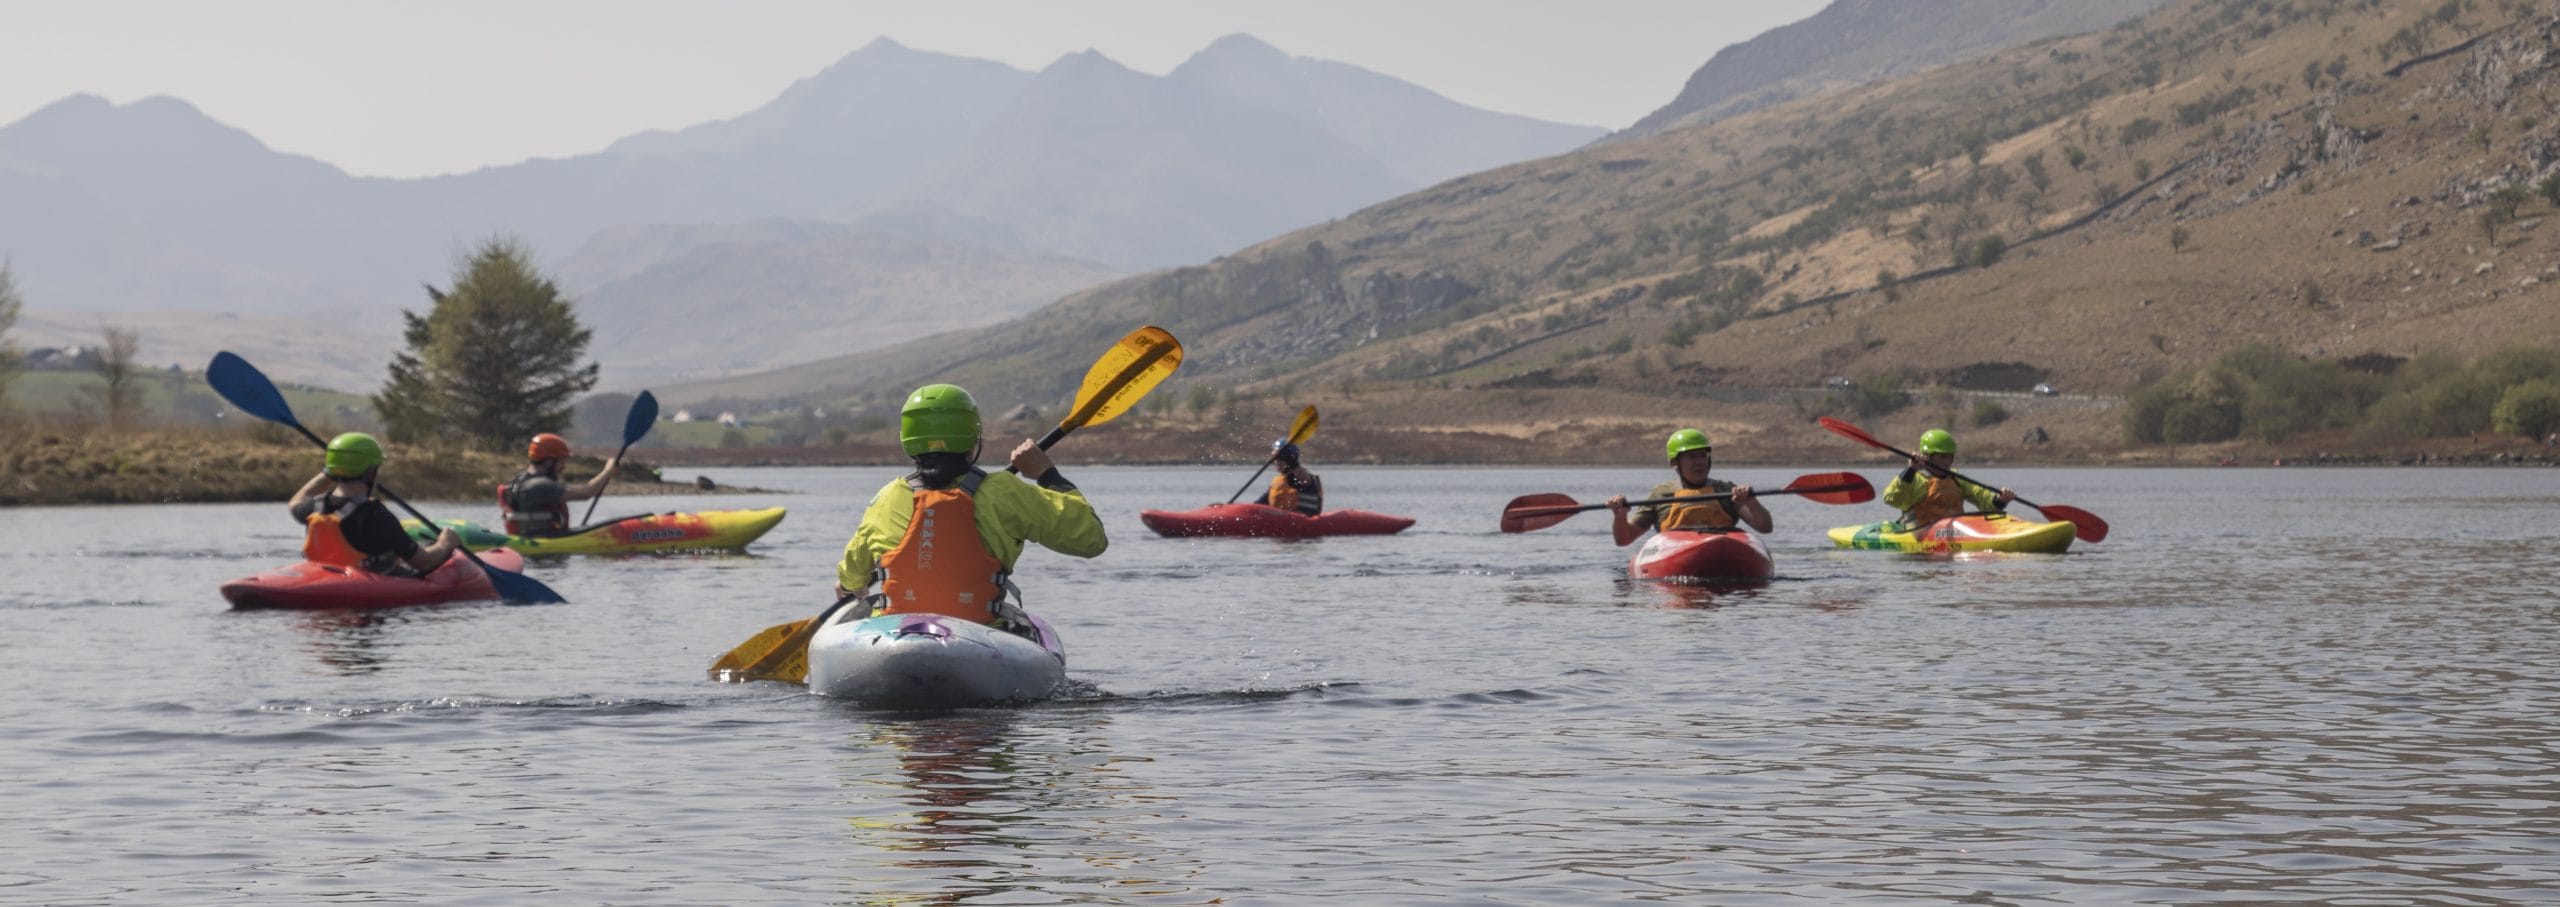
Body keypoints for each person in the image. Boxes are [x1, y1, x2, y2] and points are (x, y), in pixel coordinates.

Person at [833, 384, 1108, 629]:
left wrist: (850, 585)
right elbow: (1090, 539)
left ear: (908, 440)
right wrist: (1047, 474)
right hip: (978, 633)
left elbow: (852, 574)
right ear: (973, 439)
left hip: (894, 631)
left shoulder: (888, 497)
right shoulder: (1004, 491)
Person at [287, 432, 461, 576]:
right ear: (370, 471)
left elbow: (296, 501)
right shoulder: (376, 516)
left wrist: (329, 472)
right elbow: (423, 562)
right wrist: (445, 544)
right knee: (440, 554)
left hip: (323, 577)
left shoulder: (315, 507)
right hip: (369, 584)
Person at [1606, 428, 1773, 547]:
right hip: (1675, 550)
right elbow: (1624, 540)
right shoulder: (1661, 494)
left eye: (1703, 456)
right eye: (1692, 457)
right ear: (1675, 463)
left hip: (1723, 546)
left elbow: (1765, 528)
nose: (1700, 462)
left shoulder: (1727, 490)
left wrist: (1752, 502)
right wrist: (1620, 516)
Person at [1882, 428, 2015, 527]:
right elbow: (1892, 499)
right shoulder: (1916, 480)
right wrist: (1911, 469)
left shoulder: (1956, 479)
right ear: (1927, 456)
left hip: (1954, 530)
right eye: (1942, 457)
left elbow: (1982, 498)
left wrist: (1999, 500)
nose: (1947, 462)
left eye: (1950, 457)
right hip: (1920, 533)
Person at [497, 432, 621, 536]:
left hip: (534, 538)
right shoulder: (540, 486)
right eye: (560, 461)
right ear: (548, 461)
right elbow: (586, 493)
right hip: (545, 546)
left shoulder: (520, 480)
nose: (563, 467)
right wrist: (607, 471)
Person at [1255, 440, 1324, 516]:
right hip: (1281, 521)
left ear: (1290, 459)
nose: (1276, 461)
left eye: (1280, 458)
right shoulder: (1278, 483)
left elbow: (1305, 479)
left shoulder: (1302, 478)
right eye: (1274, 458)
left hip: (1302, 520)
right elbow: (1257, 505)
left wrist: (1293, 464)